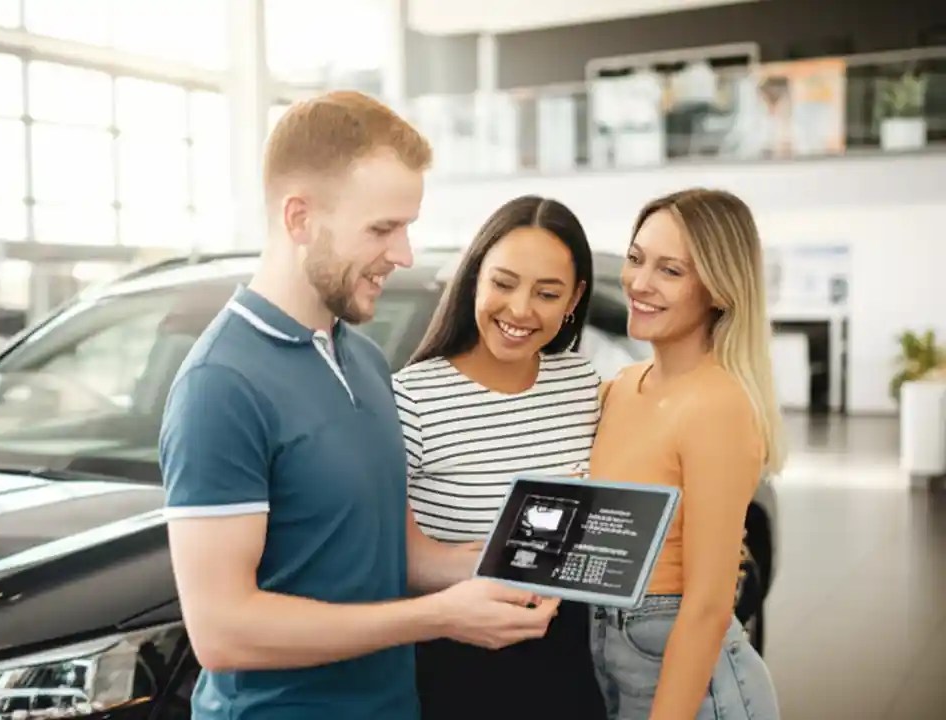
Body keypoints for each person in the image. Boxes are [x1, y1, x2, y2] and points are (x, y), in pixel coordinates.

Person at [157, 90, 560, 720]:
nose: (403, 254)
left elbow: (401, 557)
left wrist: (551, 557)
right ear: (299, 219)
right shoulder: (220, 385)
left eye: (407, 227)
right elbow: (222, 631)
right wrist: (437, 620)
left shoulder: (365, 360)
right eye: (382, 228)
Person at [393, 195, 608, 720]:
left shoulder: (583, 386)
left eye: (547, 293)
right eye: (503, 283)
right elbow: (391, 559)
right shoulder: (410, 398)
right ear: (475, 279)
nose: (519, 310)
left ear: (575, 298)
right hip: (456, 669)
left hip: (570, 664)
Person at [589, 188, 783, 720]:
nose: (639, 283)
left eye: (670, 270)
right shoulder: (622, 387)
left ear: (718, 289)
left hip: (694, 686)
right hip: (613, 651)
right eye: (635, 259)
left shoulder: (718, 404)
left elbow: (708, 605)